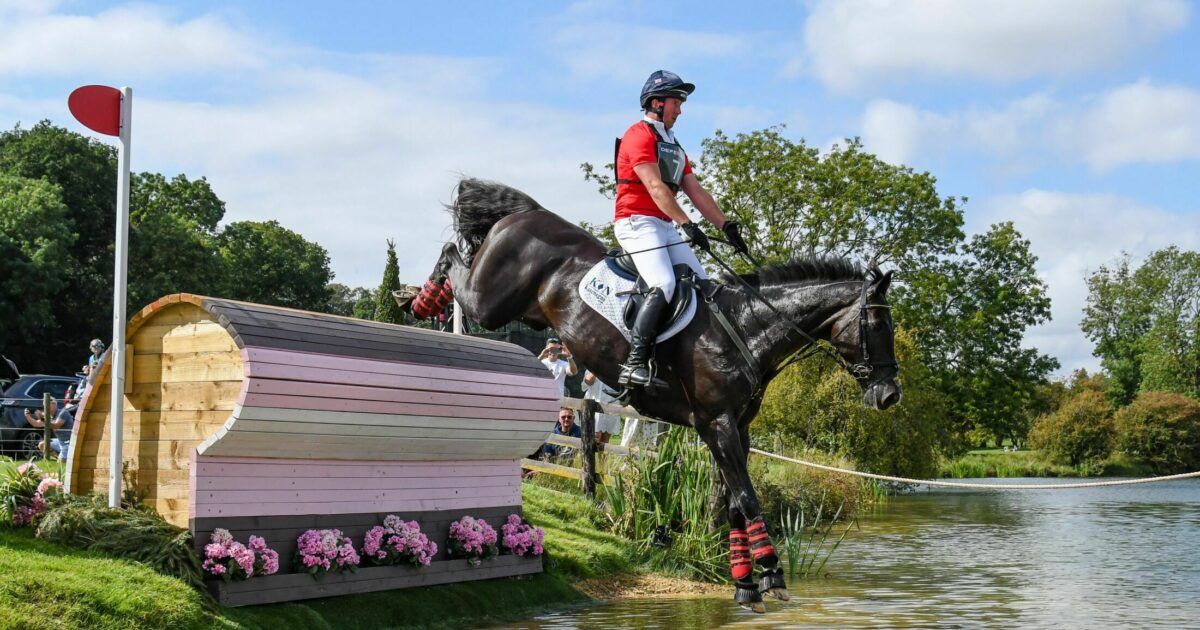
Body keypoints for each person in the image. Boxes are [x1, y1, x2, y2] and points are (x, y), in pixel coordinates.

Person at [613, 69, 750, 388]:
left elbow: (695, 190)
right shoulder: (639, 135)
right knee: (663, 283)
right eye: (677, 102)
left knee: (703, 286)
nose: (680, 109)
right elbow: (655, 187)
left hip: (663, 224)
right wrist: (687, 224)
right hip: (636, 222)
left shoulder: (672, 144)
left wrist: (726, 225)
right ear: (657, 103)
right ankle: (633, 363)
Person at [583, 370, 622, 444]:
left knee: (605, 438)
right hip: (594, 404)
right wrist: (597, 367)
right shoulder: (592, 366)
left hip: (611, 403)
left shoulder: (615, 366)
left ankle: (602, 456)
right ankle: (590, 455)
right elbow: (588, 382)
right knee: (594, 435)